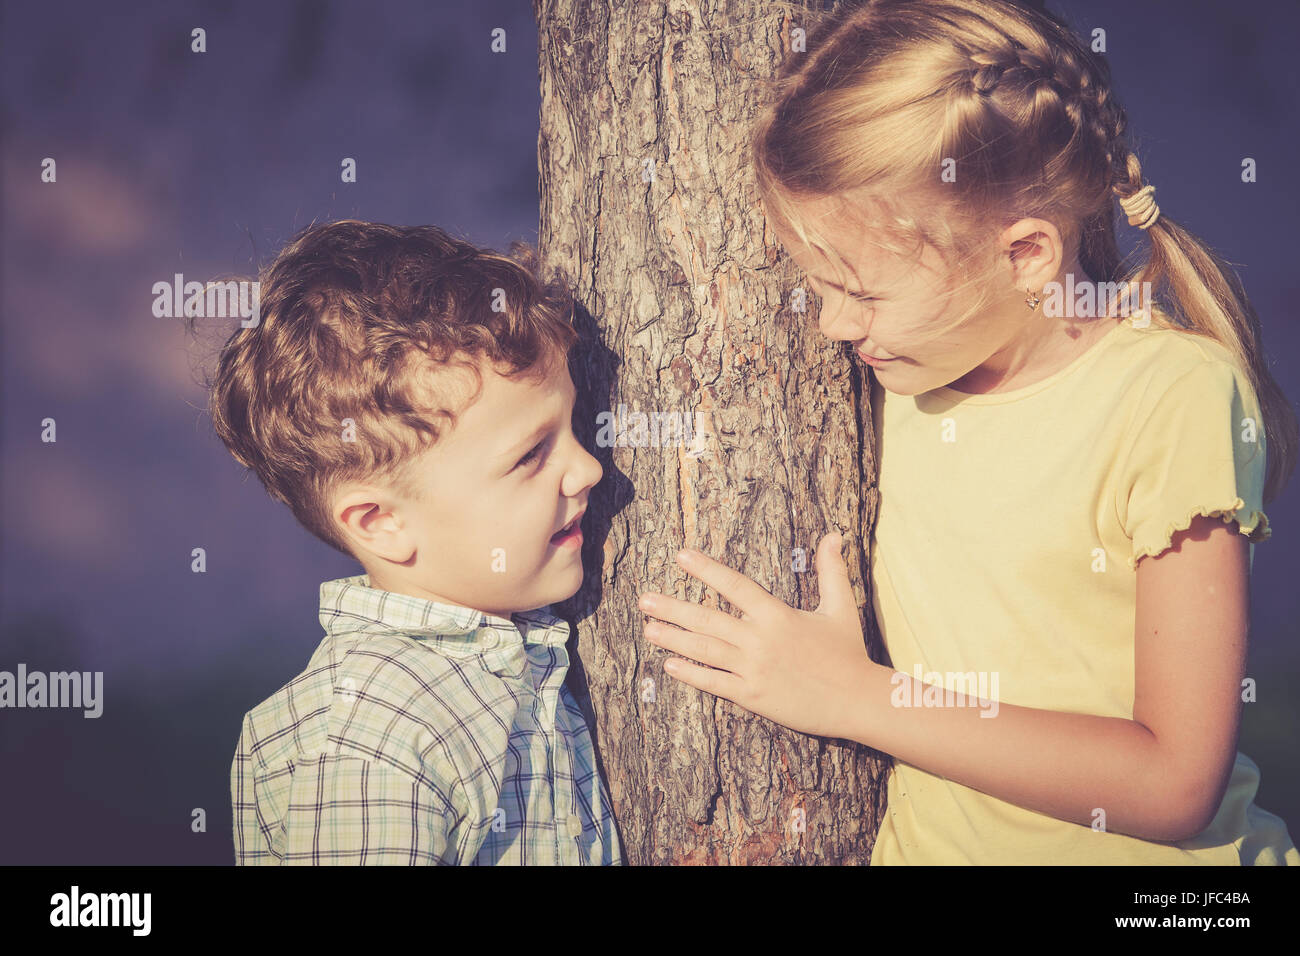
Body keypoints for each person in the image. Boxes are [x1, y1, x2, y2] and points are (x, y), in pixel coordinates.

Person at [638, 0, 1299, 864]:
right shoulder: (905, 375)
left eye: (864, 293)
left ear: (1026, 255)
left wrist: (855, 697)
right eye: (821, 287)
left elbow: (1174, 782)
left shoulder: (1169, 396)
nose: (833, 326)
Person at [211, 220, 619, 864]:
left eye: (572, 425)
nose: (589, 469)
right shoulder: (374, 737)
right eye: (530, 456)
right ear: (380, 524)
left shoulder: (511, 644)